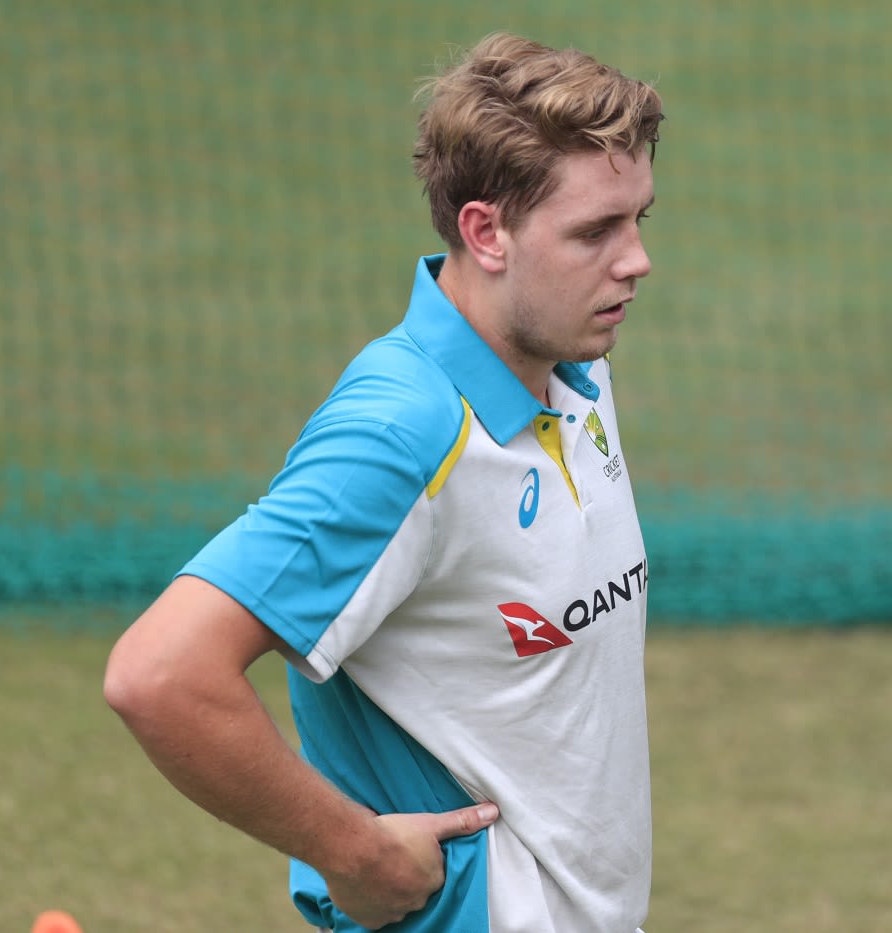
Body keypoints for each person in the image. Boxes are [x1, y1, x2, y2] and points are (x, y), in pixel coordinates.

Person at [104, 32, 664, 932]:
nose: (635, 259)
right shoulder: (400, 434)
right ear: (486, 232)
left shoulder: (576, 364)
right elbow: (161, 673)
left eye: (639, 218)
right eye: (596, 231)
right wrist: (353, 852)